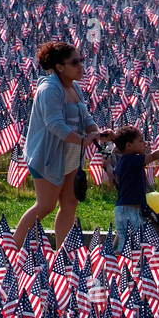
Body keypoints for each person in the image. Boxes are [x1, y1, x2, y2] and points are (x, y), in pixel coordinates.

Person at [14, 41, 112, 250]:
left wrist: (97, 134)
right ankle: (11, 251)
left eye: (81, 60)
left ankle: (63, 254)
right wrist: (83, 140)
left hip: (71, 154)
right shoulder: (50, 89)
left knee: (69, 204)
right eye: (75, 62)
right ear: (59, 67)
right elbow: (54, 125)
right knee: (46, 206)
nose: (81, 66)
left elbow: (85, 117)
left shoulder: (73, 87)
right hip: (48, 156)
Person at [110, 126, 159, 252]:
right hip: (130, 211)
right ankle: (122, 266)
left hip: (122, 209)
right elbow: (153, 156)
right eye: (141, 141)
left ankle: (119, 264)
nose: (145, 144)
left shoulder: (123, 162)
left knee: (126, 245)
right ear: (129, 145)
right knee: (135, 247)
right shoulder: (132, 160)